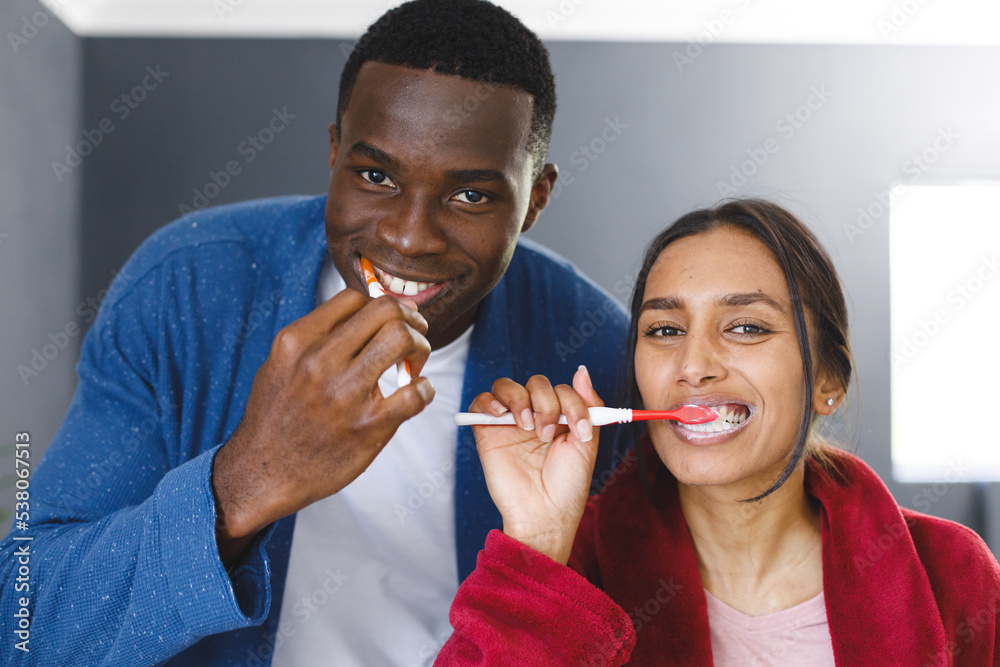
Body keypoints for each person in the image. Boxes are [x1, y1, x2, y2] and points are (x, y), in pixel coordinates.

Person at [0, 2, 630, 665]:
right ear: (333, 153)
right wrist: (243, 483)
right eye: (377, 176)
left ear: (535, 199)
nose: (408, 236)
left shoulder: (594, 353)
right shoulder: (184, 286)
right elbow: (24, 622)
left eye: (471, 196)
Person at [436, 199, 1000, 665]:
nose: (693, 363)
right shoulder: (571, 572)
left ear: (828, 380)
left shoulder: (952, 573)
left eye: (746, 327)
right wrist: (536, 543)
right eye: (664, 329)